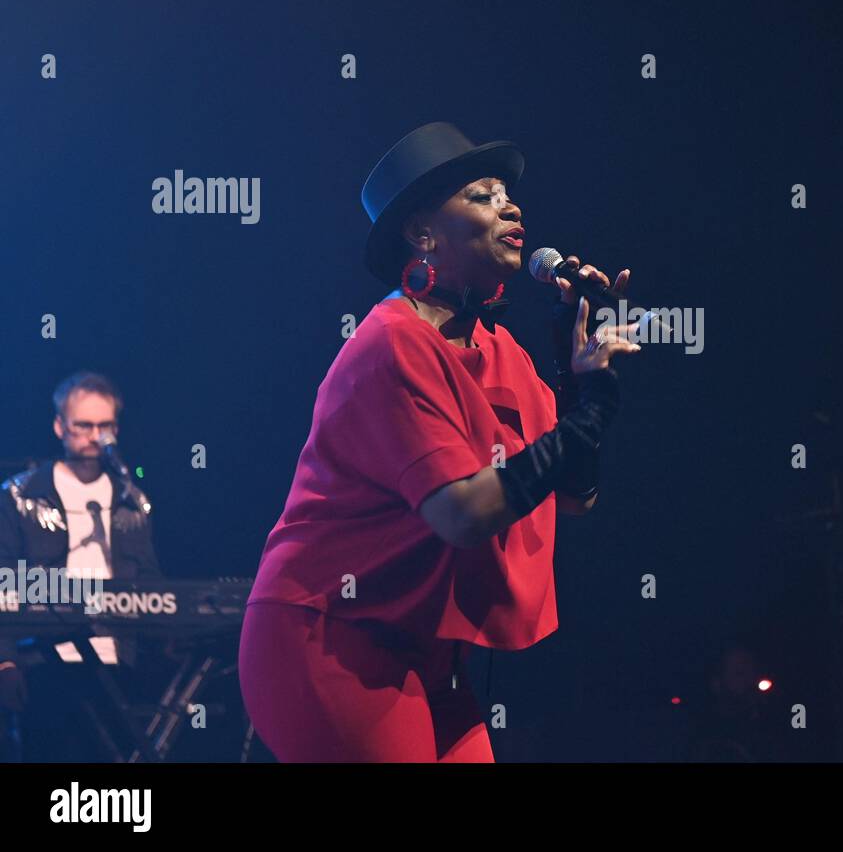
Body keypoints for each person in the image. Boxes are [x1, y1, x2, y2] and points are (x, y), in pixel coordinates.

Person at [239, 122, 641, 762]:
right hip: (330, 635)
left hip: (426, 648)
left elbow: (573, 495)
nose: (511, 206)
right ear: (423, 234)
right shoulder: (392, 341)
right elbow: (462, 512)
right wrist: (586, 418)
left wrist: (574, 375)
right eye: (483, 196)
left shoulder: (500, 350)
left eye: (509, 195)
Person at [0, 371, 161, 761]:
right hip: (44, 658)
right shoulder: (20, 495)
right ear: (60, 426)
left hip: (117, 659)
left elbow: (153, 583)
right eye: (83, 425)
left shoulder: (131, 500)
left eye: (104, 426)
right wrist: (5, 659)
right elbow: (3, 579)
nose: (94, 436)